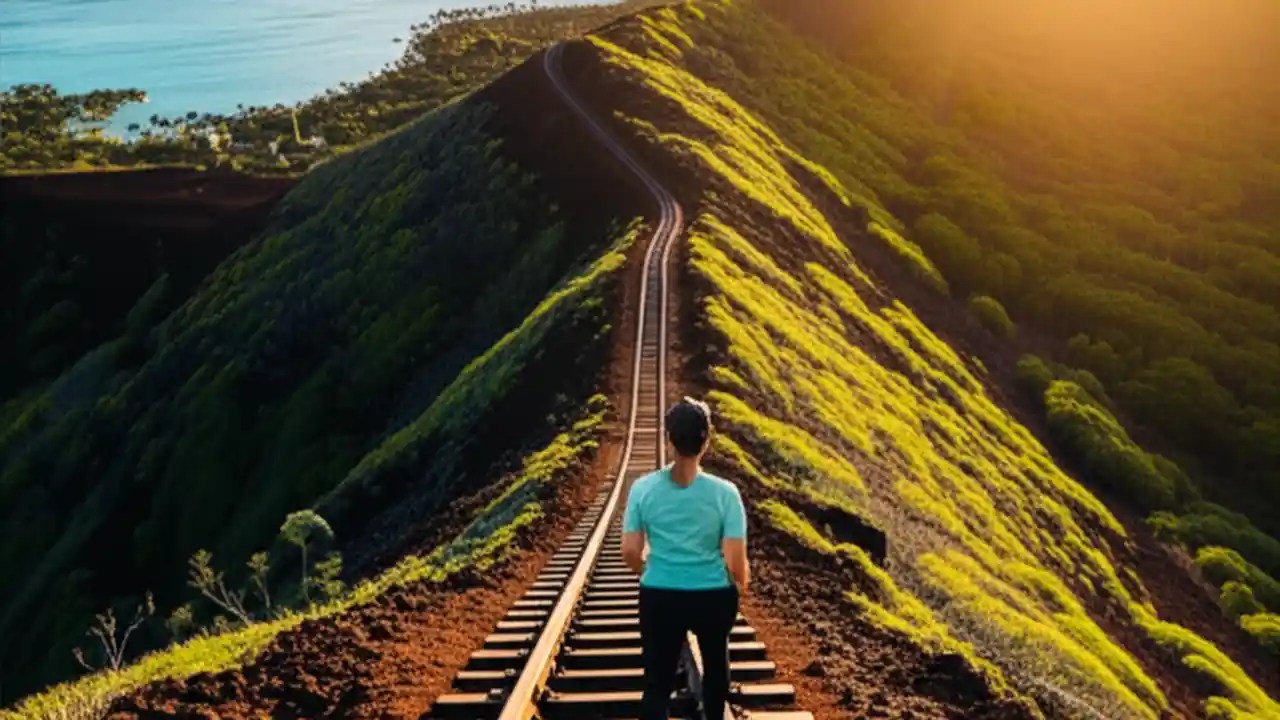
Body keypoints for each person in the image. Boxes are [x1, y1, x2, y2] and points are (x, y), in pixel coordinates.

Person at [622, 397, 750, 720]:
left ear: (669, 439)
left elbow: (629, 551)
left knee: (657, 682)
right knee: (717, 674)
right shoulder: (726, 493)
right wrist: (740, 583)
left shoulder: (642, 489)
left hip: (660, 595)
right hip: (712, 597)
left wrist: (651, 570)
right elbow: (735, 561)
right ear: (706, 441)